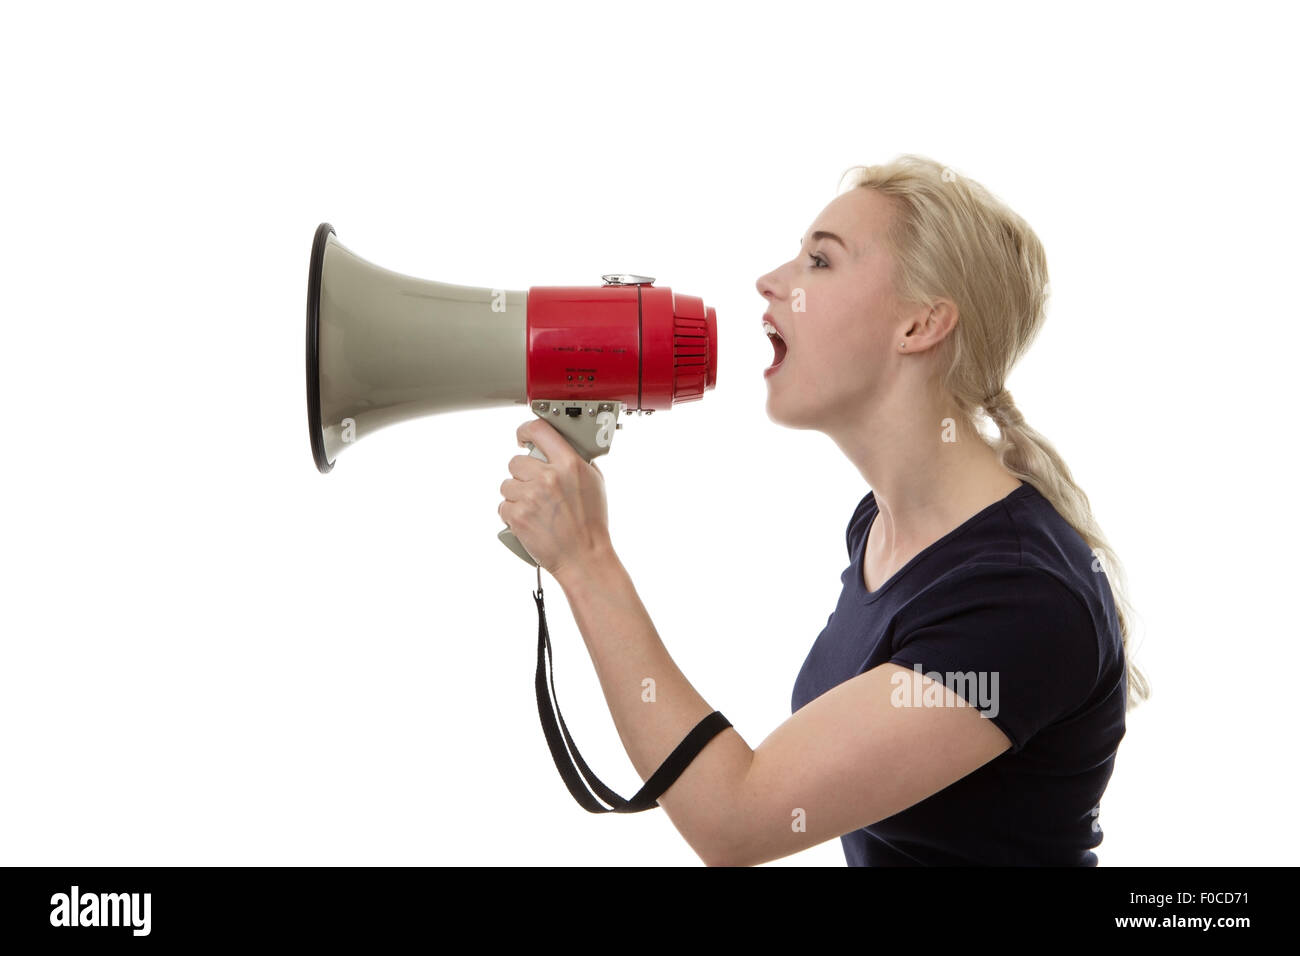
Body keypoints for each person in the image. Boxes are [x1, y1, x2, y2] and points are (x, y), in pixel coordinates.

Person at [499, 154, 1150, 866]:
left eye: (820, 261)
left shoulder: (1020, 597)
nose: (771, 281)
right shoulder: (881, 527)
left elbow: (735, 819)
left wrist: (587, 562)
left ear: (921, 325)